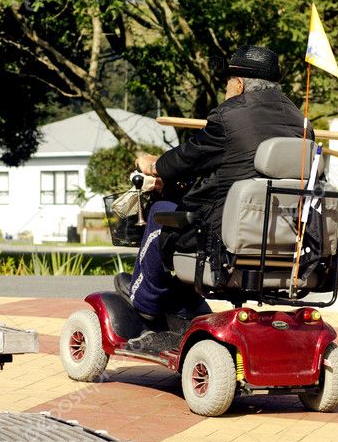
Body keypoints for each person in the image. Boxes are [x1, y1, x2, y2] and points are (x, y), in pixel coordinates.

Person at [117, 45, 314, 320]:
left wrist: (152, 164)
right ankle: (184, 298)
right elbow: (235, 168)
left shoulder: (229, 117)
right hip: (284, 241)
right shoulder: (302, 123)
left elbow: (184, 160)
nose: (226, 90)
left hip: (221, 237)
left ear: (239, 84)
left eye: (227, 82)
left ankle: (145, 300)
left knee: (161, 210)